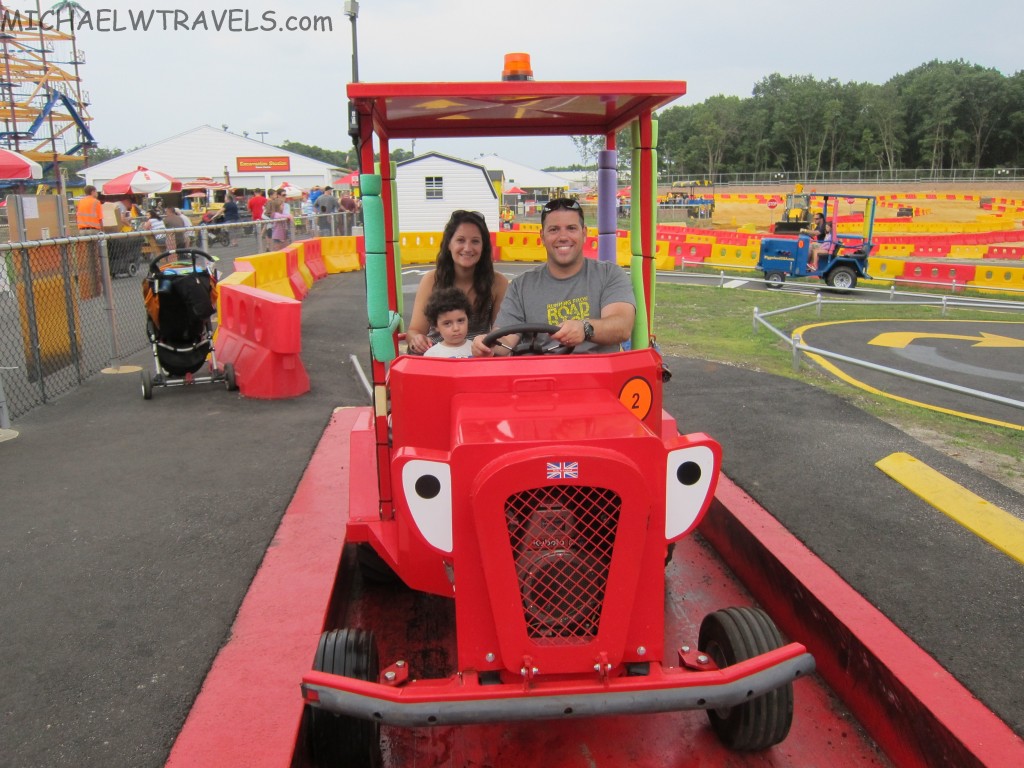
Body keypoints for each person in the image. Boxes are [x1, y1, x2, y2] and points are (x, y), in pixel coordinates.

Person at [472, 198, 634, 357]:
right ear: (542, 236)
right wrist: (486, 345)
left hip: (597, 377)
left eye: (571, 228)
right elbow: (505, 339)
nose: (563, 237)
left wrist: (584, 328)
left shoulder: (609, 274)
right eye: (554, 229)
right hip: (539, 378)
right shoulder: (521, 286)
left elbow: (622, 326)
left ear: (584, 234)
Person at [406, 209, 509, 355]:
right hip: (437, 360)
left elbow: (502, 335)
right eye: (460, 240)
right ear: (449, 244)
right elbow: (415, 331)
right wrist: (417, 339)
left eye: (475, 241)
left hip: (476, 360)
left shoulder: (497, 283)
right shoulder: (432, 280)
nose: (467, 248)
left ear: (484, 247)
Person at [422, 287, 474, 358]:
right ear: (436, 326)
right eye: (447, 323)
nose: (456, 328)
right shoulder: (432, 355)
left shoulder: (476, 349)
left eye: (460, 320)